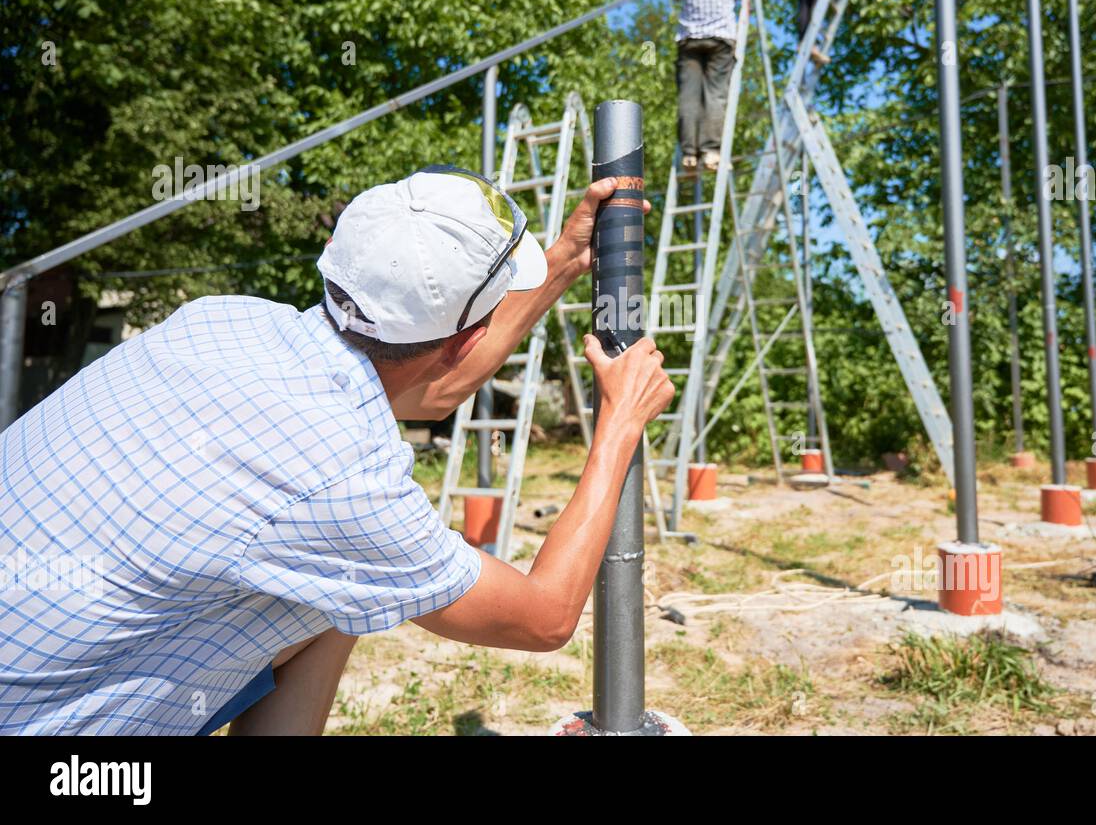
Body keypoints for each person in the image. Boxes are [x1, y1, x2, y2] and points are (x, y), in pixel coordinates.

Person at [0, 166, 674, 734]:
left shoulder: (229, 319)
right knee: (341, 591)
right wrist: (619, 422)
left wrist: (558, 264)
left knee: (335, 595)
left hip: (35, 656)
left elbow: (435, 389)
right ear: (462, 339)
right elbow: (545, 616)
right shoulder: (340, 480)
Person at [673, 0, 742, 172]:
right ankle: (711, 150)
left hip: (689, 40)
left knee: (689, 96)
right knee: (716, 95)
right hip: (721, 38)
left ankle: (689, 153)